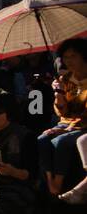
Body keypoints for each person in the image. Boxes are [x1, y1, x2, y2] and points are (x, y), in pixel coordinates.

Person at [39, 38, 87, 200]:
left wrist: (66, 129)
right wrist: (58, 93)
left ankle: (57, 184)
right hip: (66, 123)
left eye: (73, 56)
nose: (69, 61)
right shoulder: (66, 80)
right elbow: (62, 113)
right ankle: (49, 181)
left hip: (82, 126)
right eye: (66, 57)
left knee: (61, 141)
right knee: (42, 139)